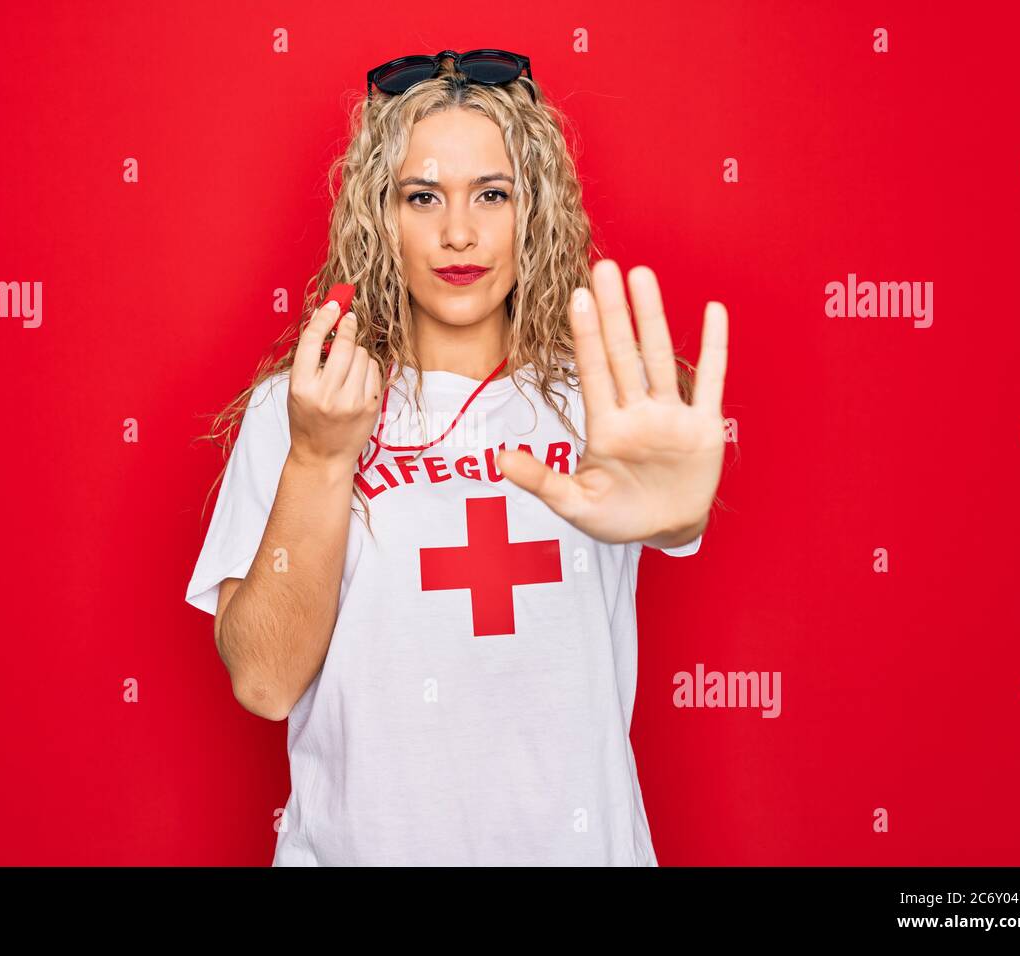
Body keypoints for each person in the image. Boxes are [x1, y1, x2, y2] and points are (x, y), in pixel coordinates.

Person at [186, 50, 728, 866]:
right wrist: (322, 459)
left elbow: (669, 511)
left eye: (493, 194)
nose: (459, 234)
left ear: (534, 209)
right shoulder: (307, 404)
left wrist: (681, 508)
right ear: (380, 213)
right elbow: (264, 683)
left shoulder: (604, 402)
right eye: (422, 196)